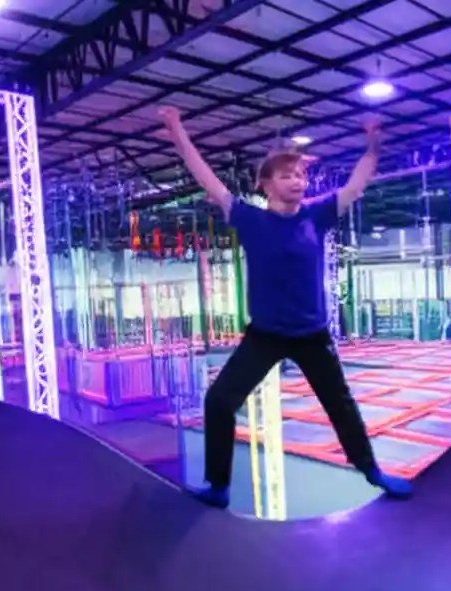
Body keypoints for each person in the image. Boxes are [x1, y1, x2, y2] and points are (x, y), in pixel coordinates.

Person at [158, 106, 414, 509]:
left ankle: (372, 471)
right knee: (219, 400)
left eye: (300, 174)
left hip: (312, 334)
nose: (296, 181)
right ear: (266, 185)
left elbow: (357, 182)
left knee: (340, 404)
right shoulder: (249, 219)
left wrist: (373, 144)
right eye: (286, 175)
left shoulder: (317, 215)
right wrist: (175, 129)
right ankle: (219, 485)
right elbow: (203, 174)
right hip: (265, 334)